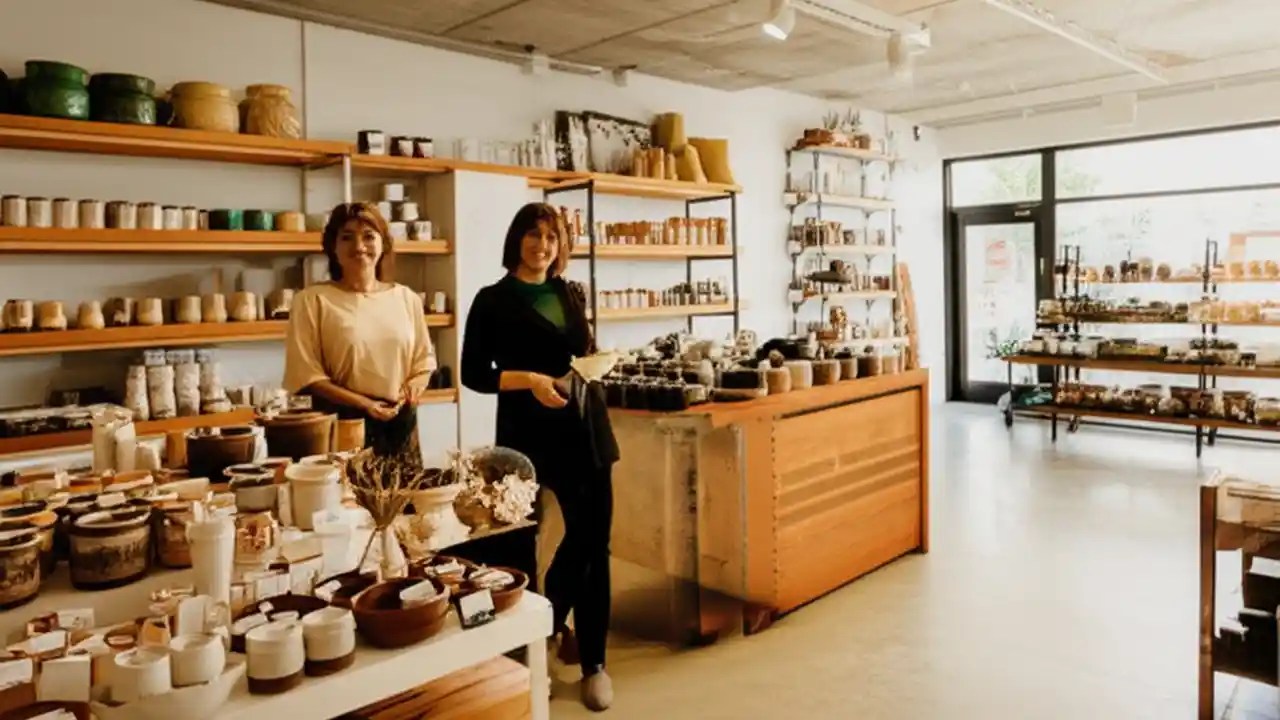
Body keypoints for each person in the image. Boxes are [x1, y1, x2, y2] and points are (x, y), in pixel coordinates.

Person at [461, 202, 619, 712]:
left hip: (584, 427)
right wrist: (528, 380)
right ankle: (529, 653)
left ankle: (590, 657)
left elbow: (579, 352)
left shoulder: (570, 293)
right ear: (517, 240)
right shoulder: (492, 299)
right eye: (533, 235)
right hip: (526, 433)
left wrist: (592, 367)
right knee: (518, 549)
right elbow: (474, 374)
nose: (542, 245)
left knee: (594, 542)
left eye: (552, 237)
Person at [284, 202, 434, 454]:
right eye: (347, 237)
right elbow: (307, 375)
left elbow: (424, 362)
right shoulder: (312, 300)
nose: (359, 247)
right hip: (343, 420)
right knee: (346, 493)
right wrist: (365, 405)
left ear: (383, 244)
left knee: (406, 493)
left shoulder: (407, 298)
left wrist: (413, 389)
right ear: (333, 247)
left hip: (400, 422)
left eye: (368, 236)